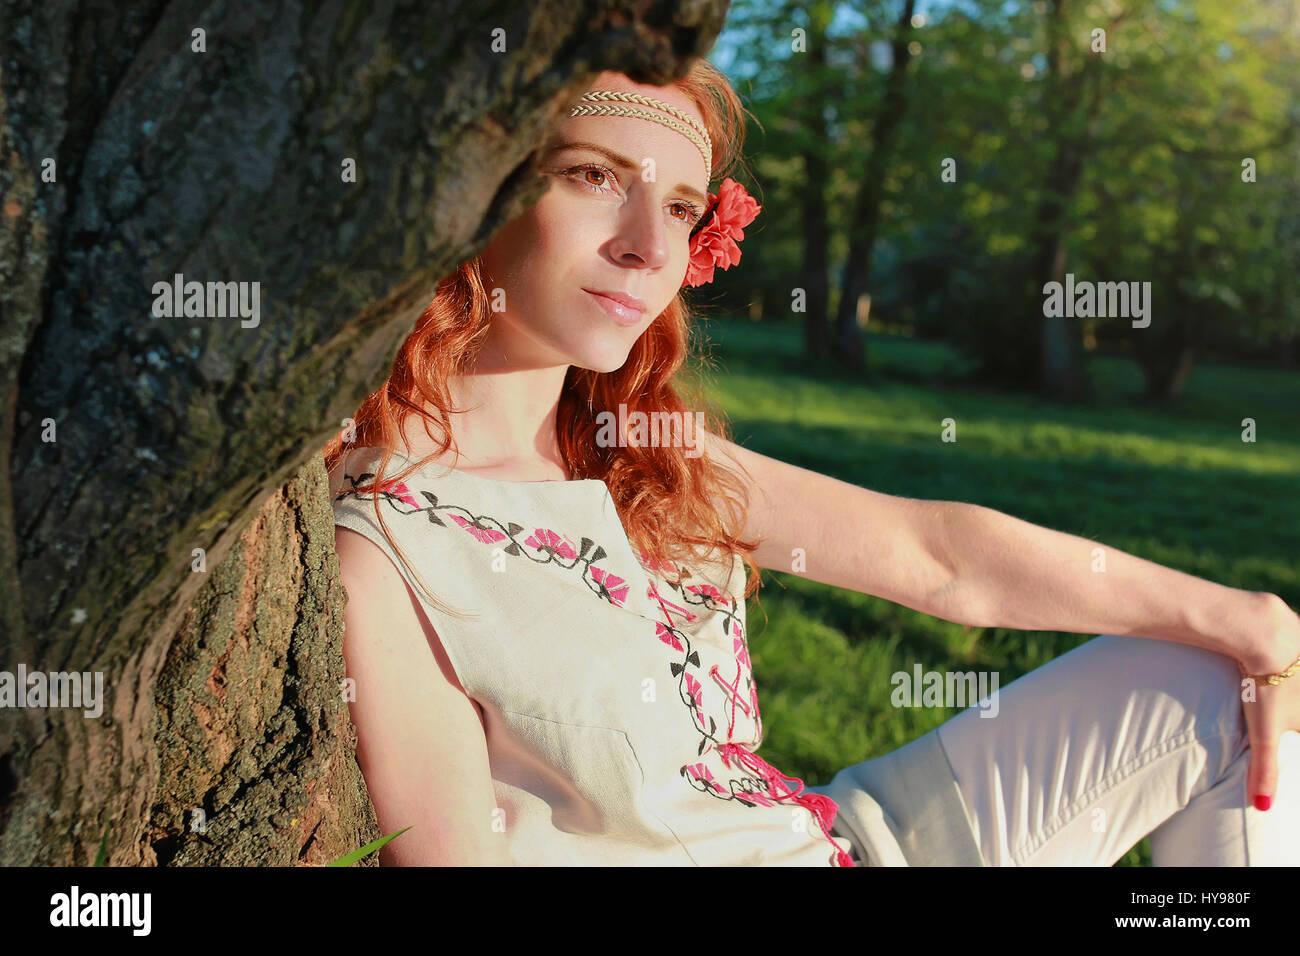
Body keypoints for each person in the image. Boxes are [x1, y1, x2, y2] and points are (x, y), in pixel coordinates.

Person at [322, 62, 1300, 866]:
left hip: (851, 837)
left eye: (677, 204)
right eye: (590, 176)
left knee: (1218, 672)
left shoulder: (636, 450)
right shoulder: (385, 547)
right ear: (473, 192)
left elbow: (936, 556)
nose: (645, 244)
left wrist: (1248, 616)